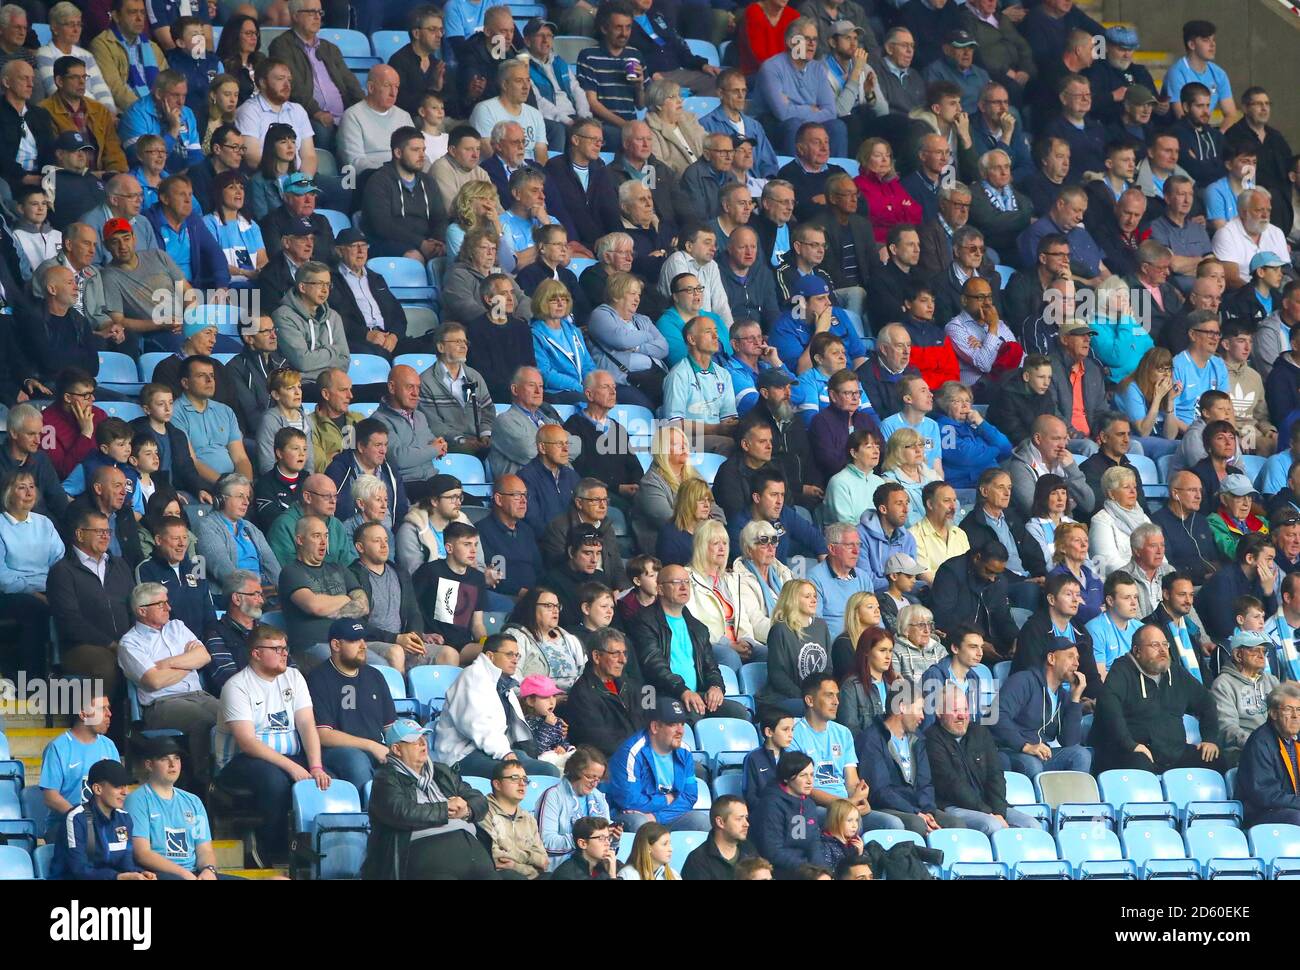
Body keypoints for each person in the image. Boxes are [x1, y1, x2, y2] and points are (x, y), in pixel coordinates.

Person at [213, 622, 328, 860]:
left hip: (288, 756)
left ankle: (315, 848)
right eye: (276, 649)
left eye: (285, 648)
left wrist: (315, 766)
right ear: (256, 653)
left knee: (328, 777)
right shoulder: (236, 686)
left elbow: (307, 724)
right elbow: (247, 743)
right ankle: (271, 851)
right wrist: (293, 767)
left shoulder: (294, 677)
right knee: (275, 781)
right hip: (240, 761)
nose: (284, 653)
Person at [361, 716, 496, 880]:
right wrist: (446, 809)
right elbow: (402, 812)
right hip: (427, 853)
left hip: (472, 850)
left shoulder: (442, 772)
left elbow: (478, 799)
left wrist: (467, 811)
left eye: (423, 737)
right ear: (396, 749)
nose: (422, 743)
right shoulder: (386, 779)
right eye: (414, 740)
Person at [1094, 622, 1222, 773]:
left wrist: (1210, 739)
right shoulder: (1122, 671)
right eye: (1154, 645)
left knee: (1214, 759)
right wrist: (1130, 745)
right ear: (1137, 650)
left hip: (1173, 753)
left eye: (1165, 644)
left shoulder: (1175, 672)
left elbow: (1206, 702)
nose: (1162, 650)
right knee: (1139, 765)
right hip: (1133, 753)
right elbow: (1108, 709)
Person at [433, 632, 559, 778]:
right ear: (490, 656)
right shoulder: (472, 676)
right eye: (509, 654)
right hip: (462, 756)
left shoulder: (504, 682)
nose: (515, 660)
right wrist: (505, 752)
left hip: (492, 751)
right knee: (518, 775)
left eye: (517, 655)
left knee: (549, 771)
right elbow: (477, 725)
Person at [855, 678, 967, 835]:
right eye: (919, 709)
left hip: (917, 808)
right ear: (902, 707)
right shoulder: (871, 739)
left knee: (956, 824)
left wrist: (928, 811)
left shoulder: (918, 739)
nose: (922, 717)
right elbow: (880, 791)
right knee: (917, 824)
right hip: (887, 808)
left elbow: (925, 784)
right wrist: (915, 812)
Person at [926, 684, 1038, 835]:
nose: (962, 716)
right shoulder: (931, 738)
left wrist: (999, 812)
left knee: (1033, 826)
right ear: (939, 713)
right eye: (955, 710)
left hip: (989, 806)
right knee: (993, 826)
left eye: (965, 710)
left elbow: (996, 776)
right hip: (955, 807)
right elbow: (952, 784)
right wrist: (988, 813)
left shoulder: (980, 732)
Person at [303, 618, 397, 792]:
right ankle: (366, 816)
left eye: (364, 639)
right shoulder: (318, 679)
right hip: (336, 751)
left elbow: (390, 727)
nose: (364, 646)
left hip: (376, 749)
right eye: (355, 640)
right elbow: (322, 734)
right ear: (336, 645)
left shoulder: (375, 676)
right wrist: (370, 745)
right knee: (357, 761)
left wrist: (405, 746)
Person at [47, 507, 134, 692]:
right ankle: (102, 720)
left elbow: (133, 606)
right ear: (79, 534)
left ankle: (145, 720)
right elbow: (70, 621)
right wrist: (111, 645)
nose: (106, 536)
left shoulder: (119, 565)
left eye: (108, 531)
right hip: (80, 647)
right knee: (107, 665)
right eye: (99, 531)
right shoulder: (62, 571)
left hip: (125, 642)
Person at [125, 736, 233, 880]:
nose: (172, 764)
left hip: (193, 873)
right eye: (164, 759)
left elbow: (205, 849)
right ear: (149, 765)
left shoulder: (193, 801)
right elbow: (142, 853)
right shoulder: (137, 800)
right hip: (159, 874)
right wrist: (183, 874)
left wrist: (209, 870)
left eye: (176, 758)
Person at [993, 634, 1092, 779]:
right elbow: (994, 716)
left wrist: (1075, 699)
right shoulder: (1023, 681)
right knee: (1033, 765)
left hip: (1041, 754)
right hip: (1012, 751)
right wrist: (1025, 746)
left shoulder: (1063, 695)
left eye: (1077, 658)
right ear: (1051, 658)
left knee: (1081, 754)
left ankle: (1070, 801)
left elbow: (1069, 741)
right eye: (1070, 656)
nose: (1076, 663)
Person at [607, 695, 707, 832]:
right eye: (673, 724)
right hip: (629, 816)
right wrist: (667, 799)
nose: (681, 731)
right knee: (639, 822)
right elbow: (629, 801)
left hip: (662, 815)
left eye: (682, 724)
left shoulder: (685, 752)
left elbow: (689, 797)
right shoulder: (631, 752)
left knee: (702, 822)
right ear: (655, 727)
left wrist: (656, 817)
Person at [53, 758, 155, 880]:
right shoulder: (76, 819)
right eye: (118, 786)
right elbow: (79, 870)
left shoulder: (124, 818)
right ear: (97, 789)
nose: (125, 792)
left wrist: (141, 873)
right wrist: (118, 877)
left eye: (126, 786)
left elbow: (126, 863)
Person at [362, 126, 447, 262]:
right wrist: (421, 243)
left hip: (424, 242)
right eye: (415, 150)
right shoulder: (379, 181)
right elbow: (382, 226)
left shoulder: (428, 181)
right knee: (414, 257)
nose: (422, 155)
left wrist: (438, 242)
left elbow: (440, 218)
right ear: (398, 153)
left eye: (423, 150)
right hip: (387, 243)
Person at [414, 327, 494, 462]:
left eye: (465, 342)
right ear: (440, 347)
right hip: (449, 443)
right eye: (457, 341)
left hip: (479, 440)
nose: (463, 346)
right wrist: (463, 441)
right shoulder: (426, 381)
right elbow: (433, 424)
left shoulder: (475, 377)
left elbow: (488, 410)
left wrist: (485, 435)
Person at [1212, 630, 1279, 769]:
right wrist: (1259, 743)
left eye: (1264, 651)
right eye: (1255, 650)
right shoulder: (1223, 684)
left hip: (1276, 747)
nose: (1262, 656)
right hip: (1243, 751)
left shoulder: (1272, 681)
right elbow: (1227, 729)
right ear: (1238, 655)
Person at [1237, 682, 1300, 826]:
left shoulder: (1295, 740)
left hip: (1291, 807)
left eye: (1299, 709)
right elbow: (1266, 794)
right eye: (1288, 709)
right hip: (1261, 813)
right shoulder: (1260, 742)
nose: (1295, 716)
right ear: (1273, 713)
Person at [750, 750, 820, 878]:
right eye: (803, 775)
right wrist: (808, 869)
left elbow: (814, 842)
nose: (810, 781)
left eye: (812, 775)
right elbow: (772, 851)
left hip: (806, 869)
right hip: (779, 870)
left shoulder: (809, 804)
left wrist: (820, 870)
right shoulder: (770, 804)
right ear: (787, 778)